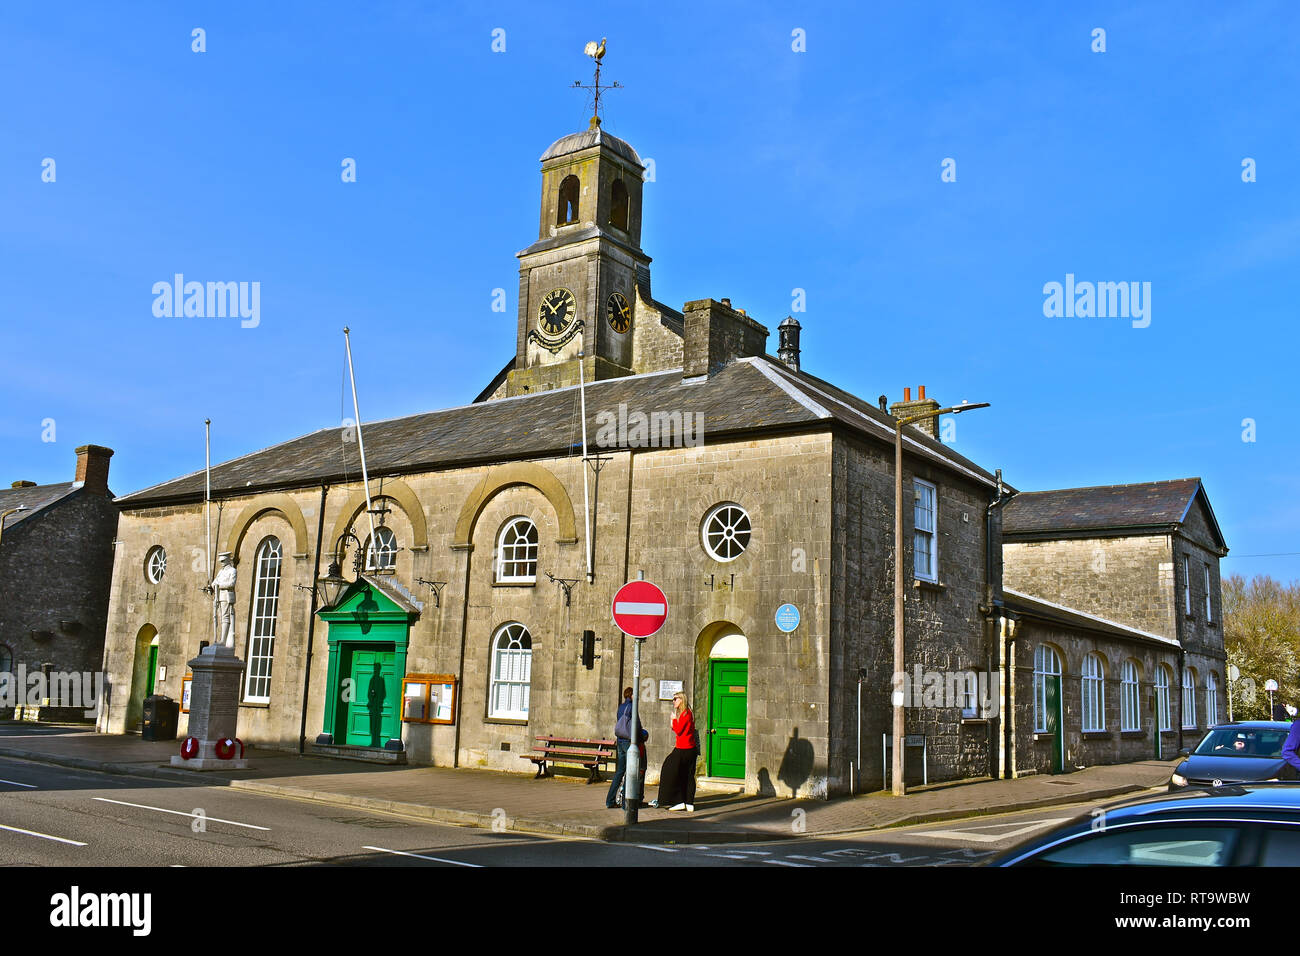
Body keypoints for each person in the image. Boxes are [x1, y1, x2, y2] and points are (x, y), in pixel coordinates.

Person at [652, 692, 698, 812]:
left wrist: (673, 720)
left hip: (683, 749)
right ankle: (688, 802)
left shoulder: (685, 714)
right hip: (689, 749)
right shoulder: (687, 714)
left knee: (669, 770)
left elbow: (679, 730)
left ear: (681, 700)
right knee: (687, 775)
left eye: (675, 699)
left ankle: (678, 801)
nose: (673, 701)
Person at [606, 687, 647, 809]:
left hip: (620, 741)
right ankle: (626, 803)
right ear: (632, 695)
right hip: (629, 742)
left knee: (619, 772)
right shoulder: (632, 707)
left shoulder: (621, 707)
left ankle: (610, 800)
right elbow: (637, 726)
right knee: (630, 772)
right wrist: (643, 736)